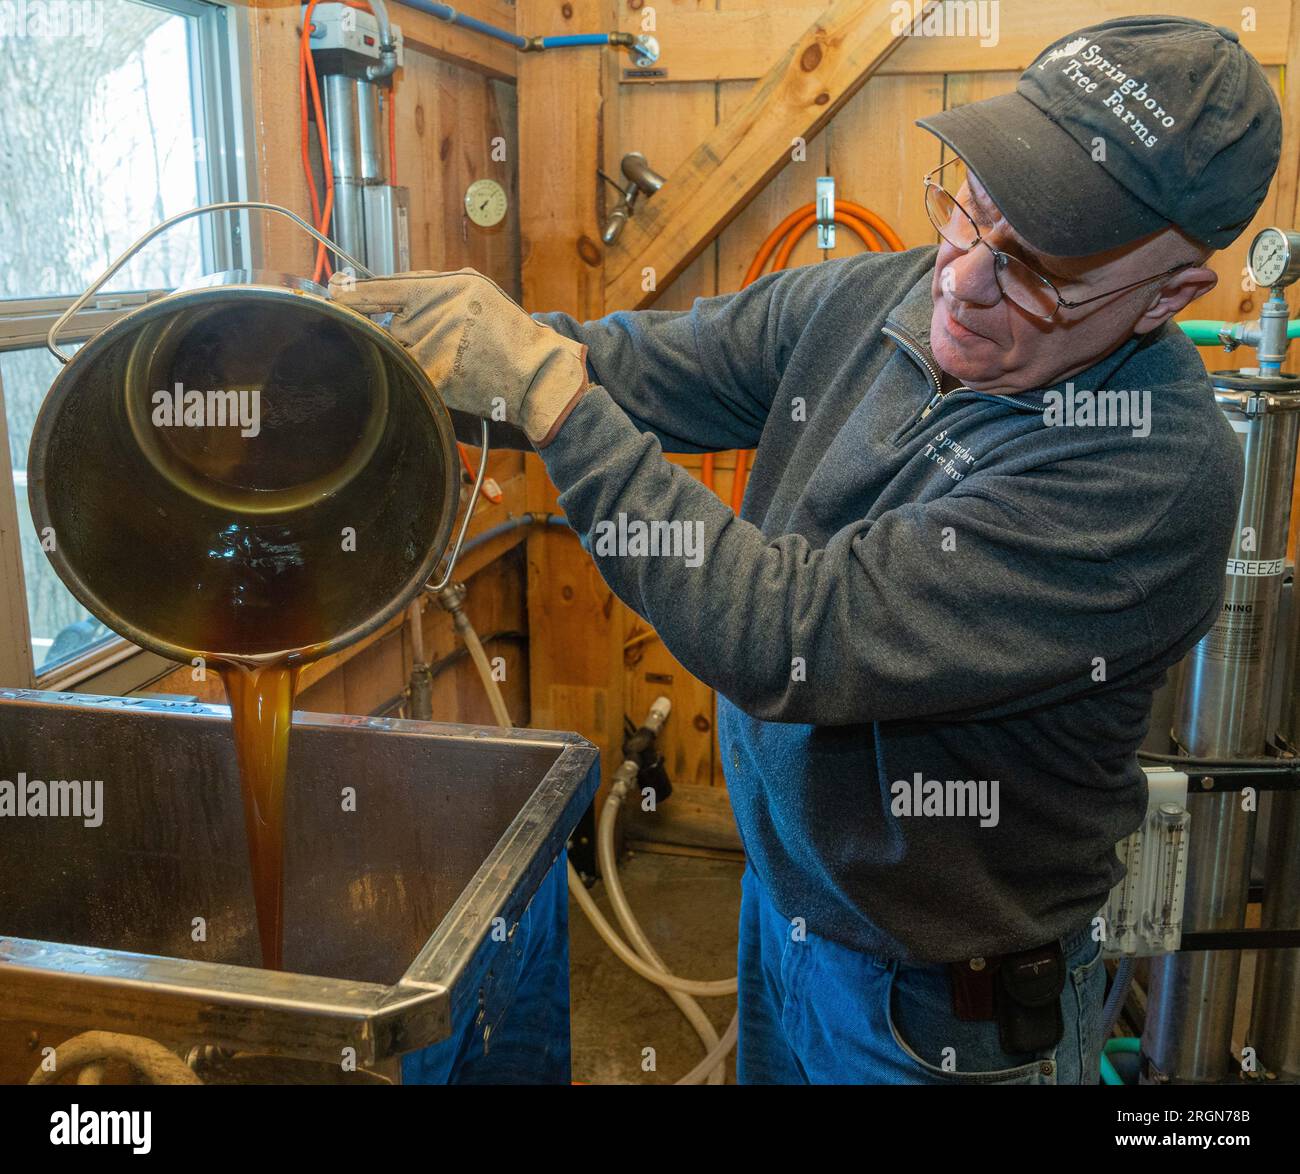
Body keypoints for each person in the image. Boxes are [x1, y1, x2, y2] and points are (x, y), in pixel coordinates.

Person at [332, 16, 1282, 1083]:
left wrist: (549, 401)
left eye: (1038, 269)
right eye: (969, 209)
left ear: (1168, 297)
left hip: (936, 1011)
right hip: (786, 917)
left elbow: (790, 634)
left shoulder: (1149, 476)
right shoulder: (878, 293)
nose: (963, 281)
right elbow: (637, 367)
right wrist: (413, 366)